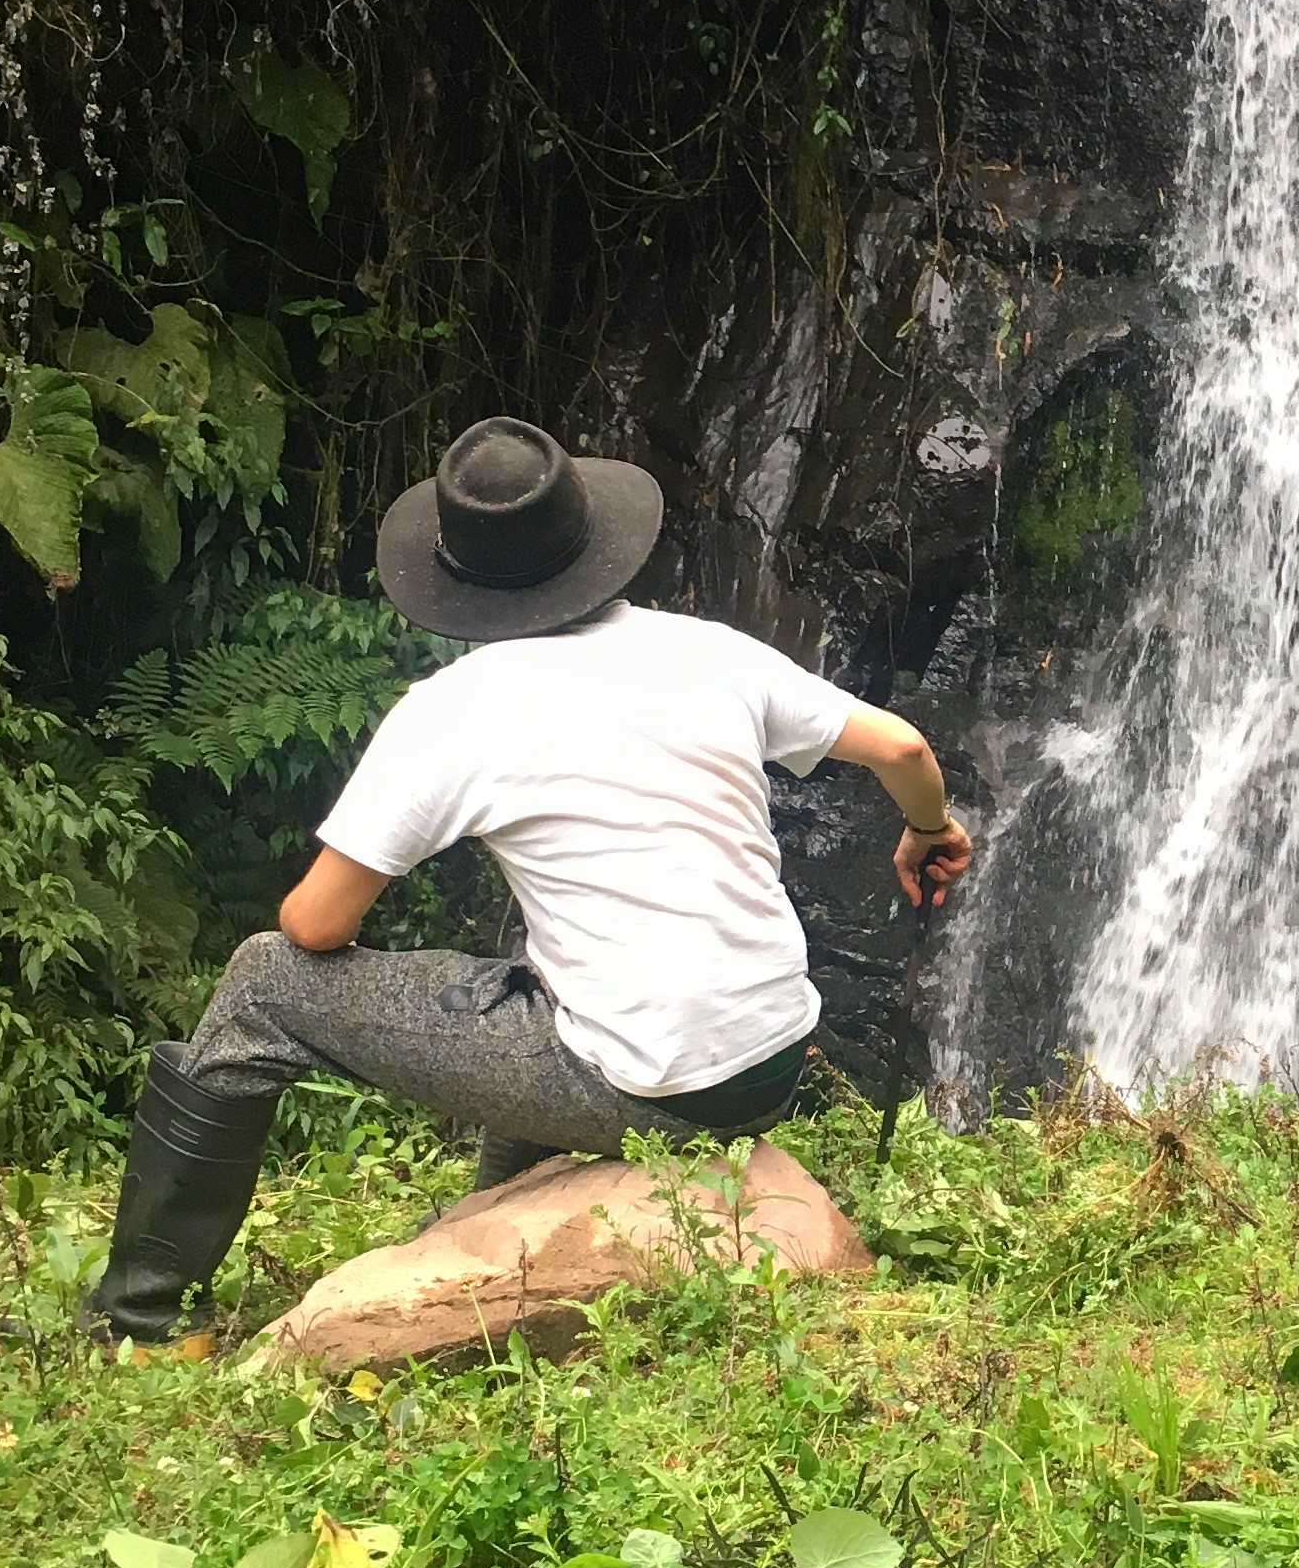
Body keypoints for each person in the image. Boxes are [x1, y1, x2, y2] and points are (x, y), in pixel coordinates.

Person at [87, 414, 971, 1343]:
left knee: (264, 981)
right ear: (593, 545)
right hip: (771, 1061)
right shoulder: (706, 649)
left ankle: (136, 1318)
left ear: (458, 581)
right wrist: (928, 828)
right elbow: (904, 745)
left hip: (653, 1086)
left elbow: (313, 927)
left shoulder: (456, 710)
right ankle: (498, 1226)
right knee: (530, 961)